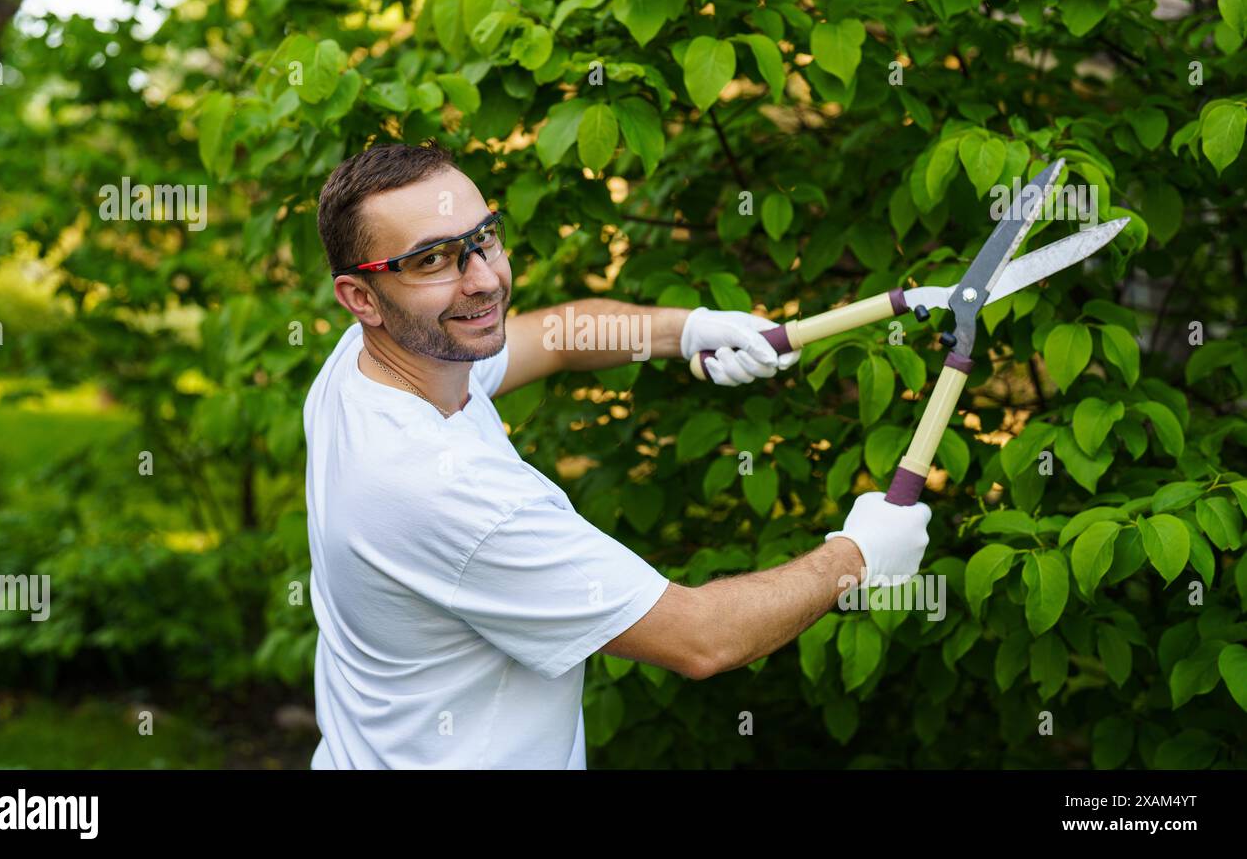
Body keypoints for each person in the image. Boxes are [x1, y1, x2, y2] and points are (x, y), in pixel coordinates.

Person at [304, 139, 932, 769]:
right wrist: (859, 555)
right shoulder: (449, 493)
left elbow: (556, 338)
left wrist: (690, 329)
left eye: (485, 237)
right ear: (361, 298)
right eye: (433, 260)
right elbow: (702, 638)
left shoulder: (364, 368)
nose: (486, 279)